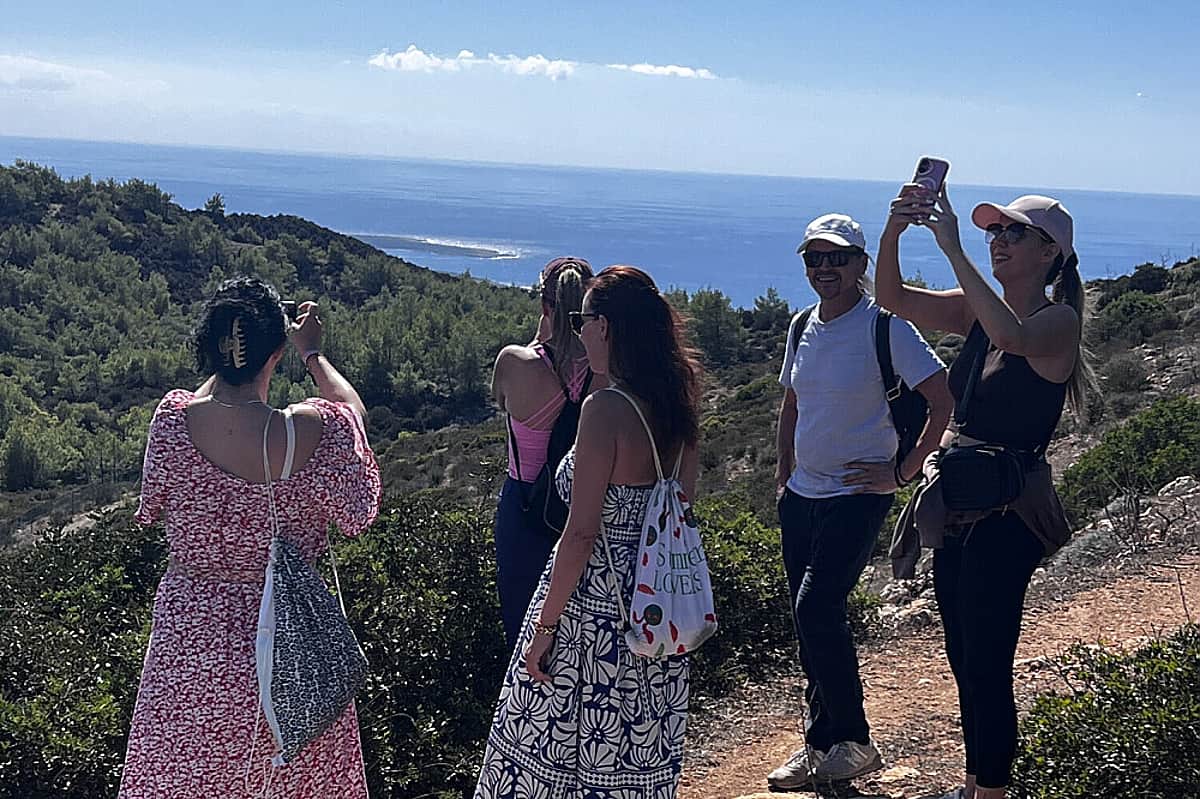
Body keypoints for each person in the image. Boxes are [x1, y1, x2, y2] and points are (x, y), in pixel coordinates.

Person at [119, 277, 382, 798]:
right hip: (286, 648)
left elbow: (152, 506)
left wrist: (229, 367)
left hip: (190, 642)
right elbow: (356, 424)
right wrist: (312, 354)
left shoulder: (172, 421)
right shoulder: (312, 432)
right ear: (276, 353)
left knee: (182, 775)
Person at [878, 187, 1095, 799]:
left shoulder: (1058, 322)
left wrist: (951, 247)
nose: (997, 240)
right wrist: (896, 230)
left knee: (987, 662)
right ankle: (977, 783)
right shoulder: (980, 311)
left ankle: (992, 790)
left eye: (1013, 233)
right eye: (992, 232)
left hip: (1007, 514)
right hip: (960, 503)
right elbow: (889, 298)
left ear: (1050, 252)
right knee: (961, 654)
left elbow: (1012, 337)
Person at [474, 265, 702, 798]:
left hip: (592, 607)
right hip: (655, 601)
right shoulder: (676, 400)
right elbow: (683, 500)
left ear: (608, 328)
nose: (578, 330)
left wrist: (545, 630)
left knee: (547, 748)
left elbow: (578, 536)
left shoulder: (605, 410)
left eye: (585, 320)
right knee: (629, 747)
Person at [768, 214, 953, 790]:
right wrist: (782, 477)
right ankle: (819, 742)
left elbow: (942, 399)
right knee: (809, 622)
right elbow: (793, 406)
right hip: (802, 496)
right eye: (814, 258)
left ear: (859, 265)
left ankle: (854, 740)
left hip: (857, 494)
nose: (824, 268)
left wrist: (901, 471)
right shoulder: (803, 327)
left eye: (836, 258)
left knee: (815, 610)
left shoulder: (886, 328)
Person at [491, 256, 602, 649]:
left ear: (545, 307)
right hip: (586, 508)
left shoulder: (514, 361)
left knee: (523, 624)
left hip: (524, 506)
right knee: (580, 627)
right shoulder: (604, 371)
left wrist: (538, 342)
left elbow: (501, 400)